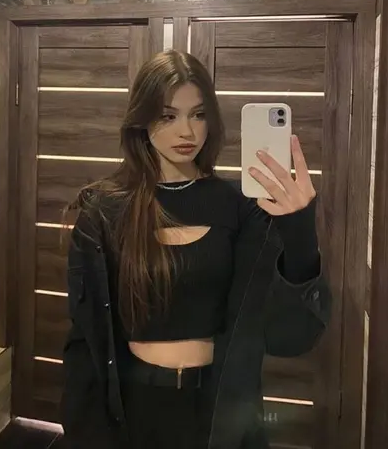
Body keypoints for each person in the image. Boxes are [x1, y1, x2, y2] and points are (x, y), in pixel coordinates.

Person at [60, 50, 331, 449]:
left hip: (218, 414)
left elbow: (291, 338)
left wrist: (300, 231)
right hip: (131, 412)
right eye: (168, 116)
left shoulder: (242, 209)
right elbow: (85, 338)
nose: (186, 131)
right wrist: (85, 431)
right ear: (141, 120)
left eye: (199, 114)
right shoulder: (104, 210)